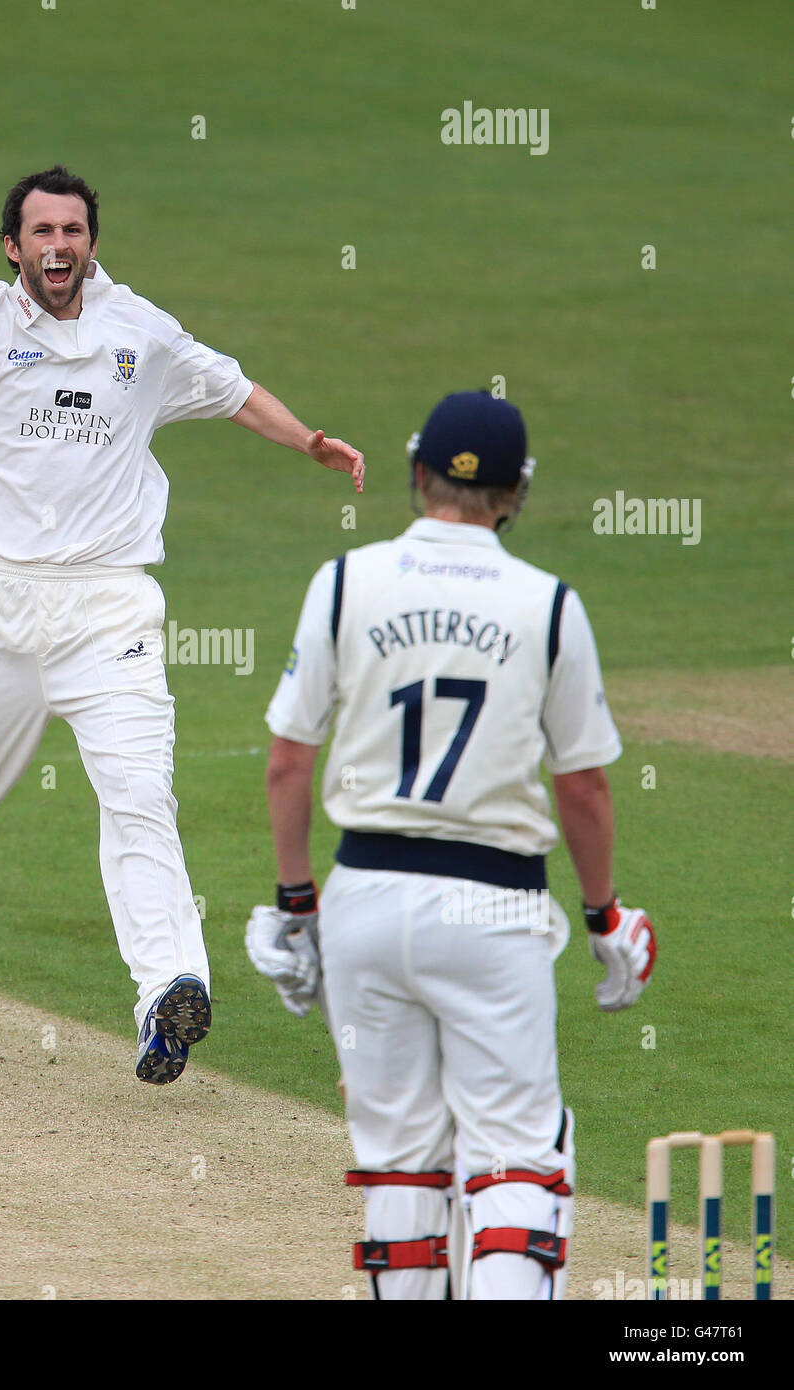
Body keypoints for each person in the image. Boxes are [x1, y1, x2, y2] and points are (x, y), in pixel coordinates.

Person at [0, 40, 365, 1086]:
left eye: (73, 230)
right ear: (11, 246)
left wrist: (310, 439)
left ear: (91, 243)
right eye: (40, 231)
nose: (58, 244)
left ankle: (165, 995)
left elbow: (233, 389)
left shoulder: (137, 331)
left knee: (140, 794)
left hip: (112, 606)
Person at [247, 390, 656, 1297]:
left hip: (363, 899)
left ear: (416, 473)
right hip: (493, 909)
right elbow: (582, 785)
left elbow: (286, 762)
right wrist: (603, 917)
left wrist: (293, 905)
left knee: (398, 1159)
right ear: (515, 493)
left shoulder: (345, 581)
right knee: (515, 1158)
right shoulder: (548, 605)